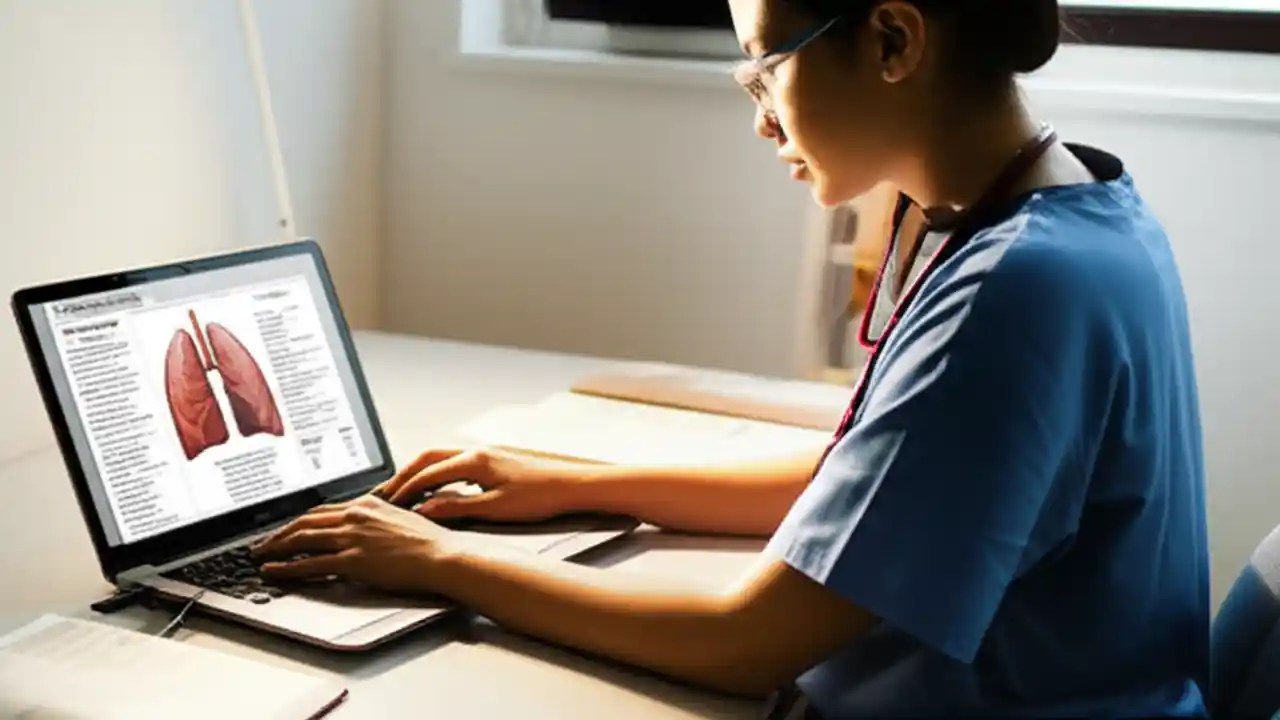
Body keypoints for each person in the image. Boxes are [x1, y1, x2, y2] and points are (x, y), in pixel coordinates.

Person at [252, 0, 1211, 716]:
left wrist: (438, 560)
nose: (760, 118)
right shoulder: (1076, 212)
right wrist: (583, 484)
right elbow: (883, 479)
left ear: (891, 41)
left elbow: (746, 642)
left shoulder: (1016, 292)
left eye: (766, 72)